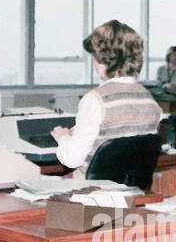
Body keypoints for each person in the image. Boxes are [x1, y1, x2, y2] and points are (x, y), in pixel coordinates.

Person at [52, 20, 162, 177]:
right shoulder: (150, 101)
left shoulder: (95, 100)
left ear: (103, 59)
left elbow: (72, 159)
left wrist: (63, 138)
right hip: (129, 191)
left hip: (91, 193)